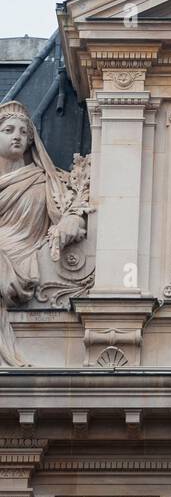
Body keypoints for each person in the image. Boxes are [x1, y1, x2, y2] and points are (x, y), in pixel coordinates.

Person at [0, 101, 86, 366]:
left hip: (22, 255)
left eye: (23, 132)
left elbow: (73, 208)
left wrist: (71, 220)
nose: (17, 136)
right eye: (8, 130)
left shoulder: (43, 179)